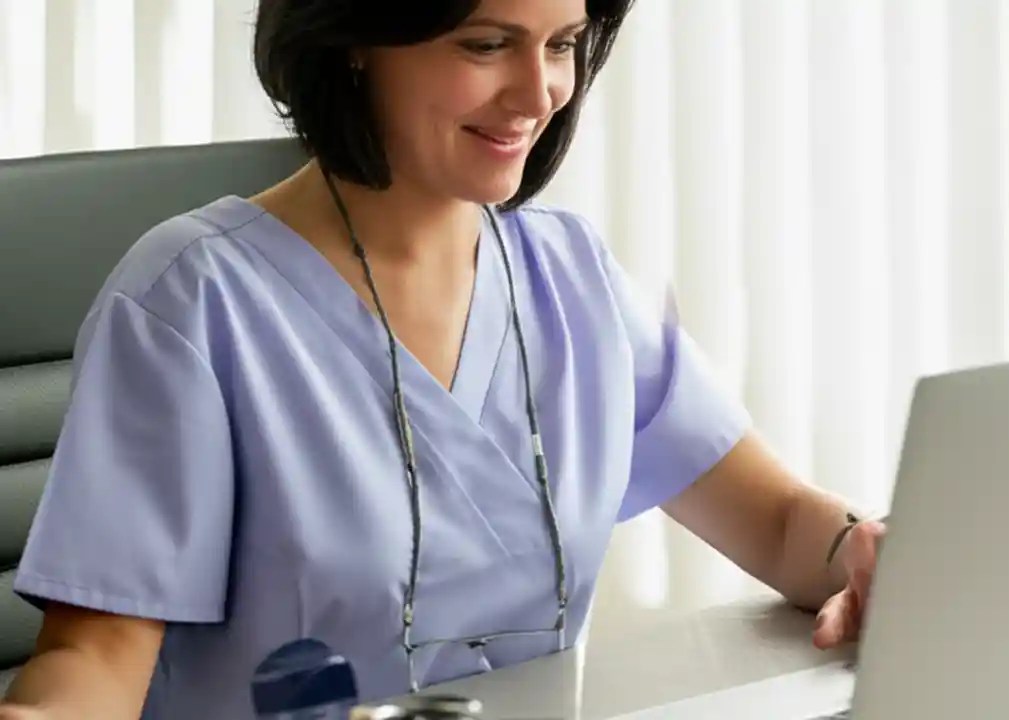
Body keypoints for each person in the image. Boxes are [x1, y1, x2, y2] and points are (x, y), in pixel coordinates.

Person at [0, 1, 887, 718]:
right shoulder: (192, 302)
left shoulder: (572, 279)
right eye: (488, 43)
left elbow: (776, 525)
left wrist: (870, 556)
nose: (538, 93)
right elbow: (96, 659)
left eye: (563, 45)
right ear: (356, 38)